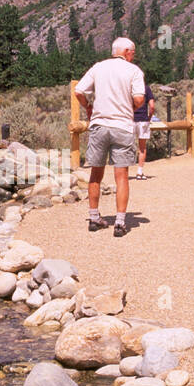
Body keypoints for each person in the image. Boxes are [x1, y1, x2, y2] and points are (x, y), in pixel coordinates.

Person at [74, 37, 145, 237]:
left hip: (99, 125)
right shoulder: (134, 71)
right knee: (121, 175)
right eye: (133, 52)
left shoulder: (98, 67)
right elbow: (139, 98)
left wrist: (88, 107)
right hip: (122, 125)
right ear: (127, 51)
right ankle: (120, 222)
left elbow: (78, 91)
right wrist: (129, 107)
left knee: (96, 173)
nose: (134, 55)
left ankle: (94, 217)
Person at [133, 80, 156, 179]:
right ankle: (139, 171)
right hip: (143, 120)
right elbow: (152, 106)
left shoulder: (130, 88)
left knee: (125, 146)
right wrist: (149, 117)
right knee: (142, 147)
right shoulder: (146, 88)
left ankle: (123, 171)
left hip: (130, 120)